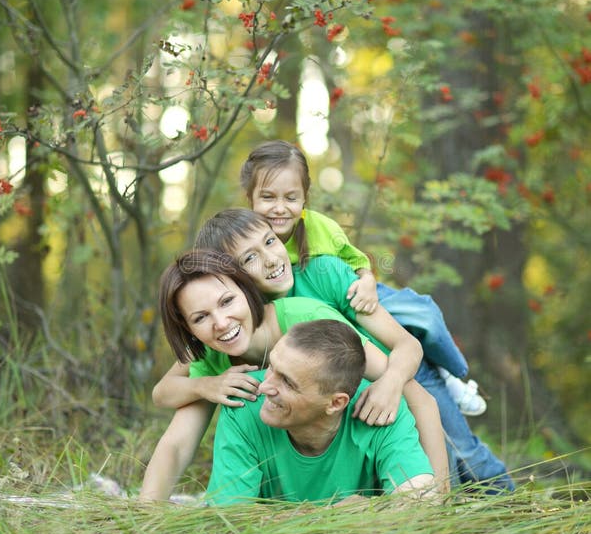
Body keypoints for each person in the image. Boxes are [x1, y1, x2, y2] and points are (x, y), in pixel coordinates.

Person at [195, 209, 515, 493]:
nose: (269, 259)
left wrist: (390, 382)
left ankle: (510, 508)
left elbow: (408, 353)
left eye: (270, 241)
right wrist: (204, 385)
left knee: (464, 458)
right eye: (249, 258)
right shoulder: (232, 323)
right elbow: (169, 388)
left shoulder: (322, 273)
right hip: (356, 383)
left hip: (399, 369)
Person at [140, 249, 448, 501]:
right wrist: (146, 517)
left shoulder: (307, 319)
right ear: (189, 328)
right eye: (201, 317)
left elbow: (419, 399)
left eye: (227, 301)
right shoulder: (212, 362)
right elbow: (176, 442)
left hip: (390, 408)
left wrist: (439, 500)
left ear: (248, 292)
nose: (220, 323)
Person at [241, 140, 487, 417]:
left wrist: (368, 281)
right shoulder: (246, 244)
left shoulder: (320, 228)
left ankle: (450, 372)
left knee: (419, 315)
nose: (279, 208)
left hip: (352, 290)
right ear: (250, 198)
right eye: (268, 197)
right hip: (323, 308)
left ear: (304, 197)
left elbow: (357, 260)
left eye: (290, 198)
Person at [206, 319, 436, 506]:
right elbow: (230, 515)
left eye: (287, 382)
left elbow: (422, 501)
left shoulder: (382, 410)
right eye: (272, 367)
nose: (265, 386)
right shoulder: (245, 401)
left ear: (336, 403)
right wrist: (339, 515)